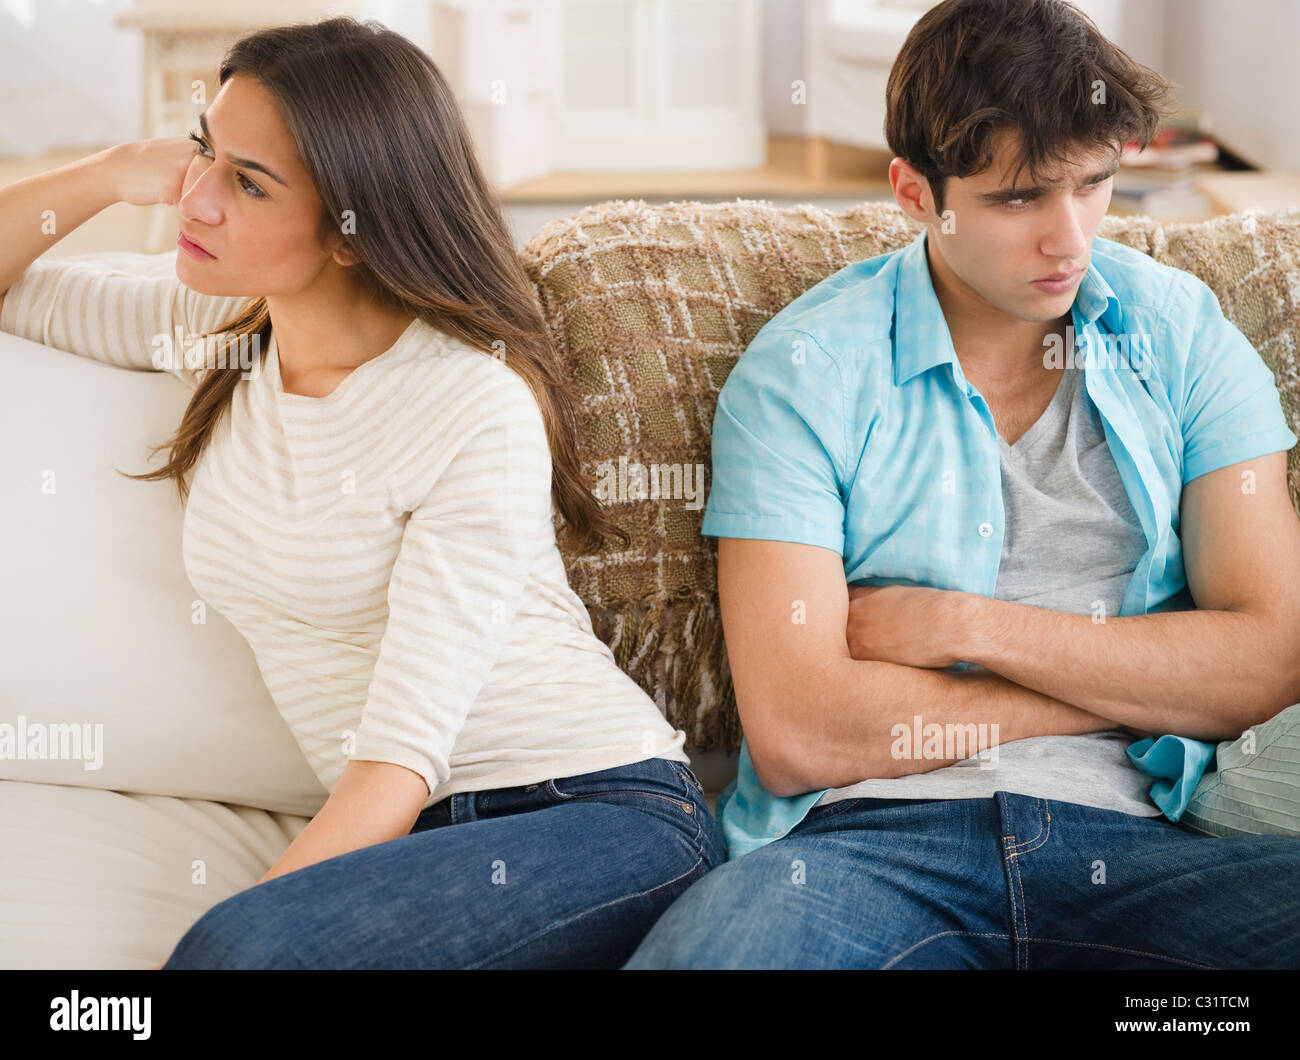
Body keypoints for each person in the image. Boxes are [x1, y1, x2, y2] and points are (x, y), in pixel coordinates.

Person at [0, 15, 723, 969]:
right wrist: (109, 171)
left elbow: (397, 763)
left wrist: (263, 929)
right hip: (425, 837)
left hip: (595, 814)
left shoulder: (470, 403)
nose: (197, 200)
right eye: (205, 154)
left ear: (350, 229)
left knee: (243, 952)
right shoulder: (222, 329)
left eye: (248, 183)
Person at [624, 0, 1300, 970]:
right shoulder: (807, 369)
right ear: (914, 191)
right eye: (1020, 198)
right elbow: (800, 731)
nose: (1067, 239)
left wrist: (966, 628)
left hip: (1152, 846)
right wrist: (1136, 686)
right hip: (872, 851)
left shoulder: (1180, 335)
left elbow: (1271, 661)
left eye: (1094, 184)